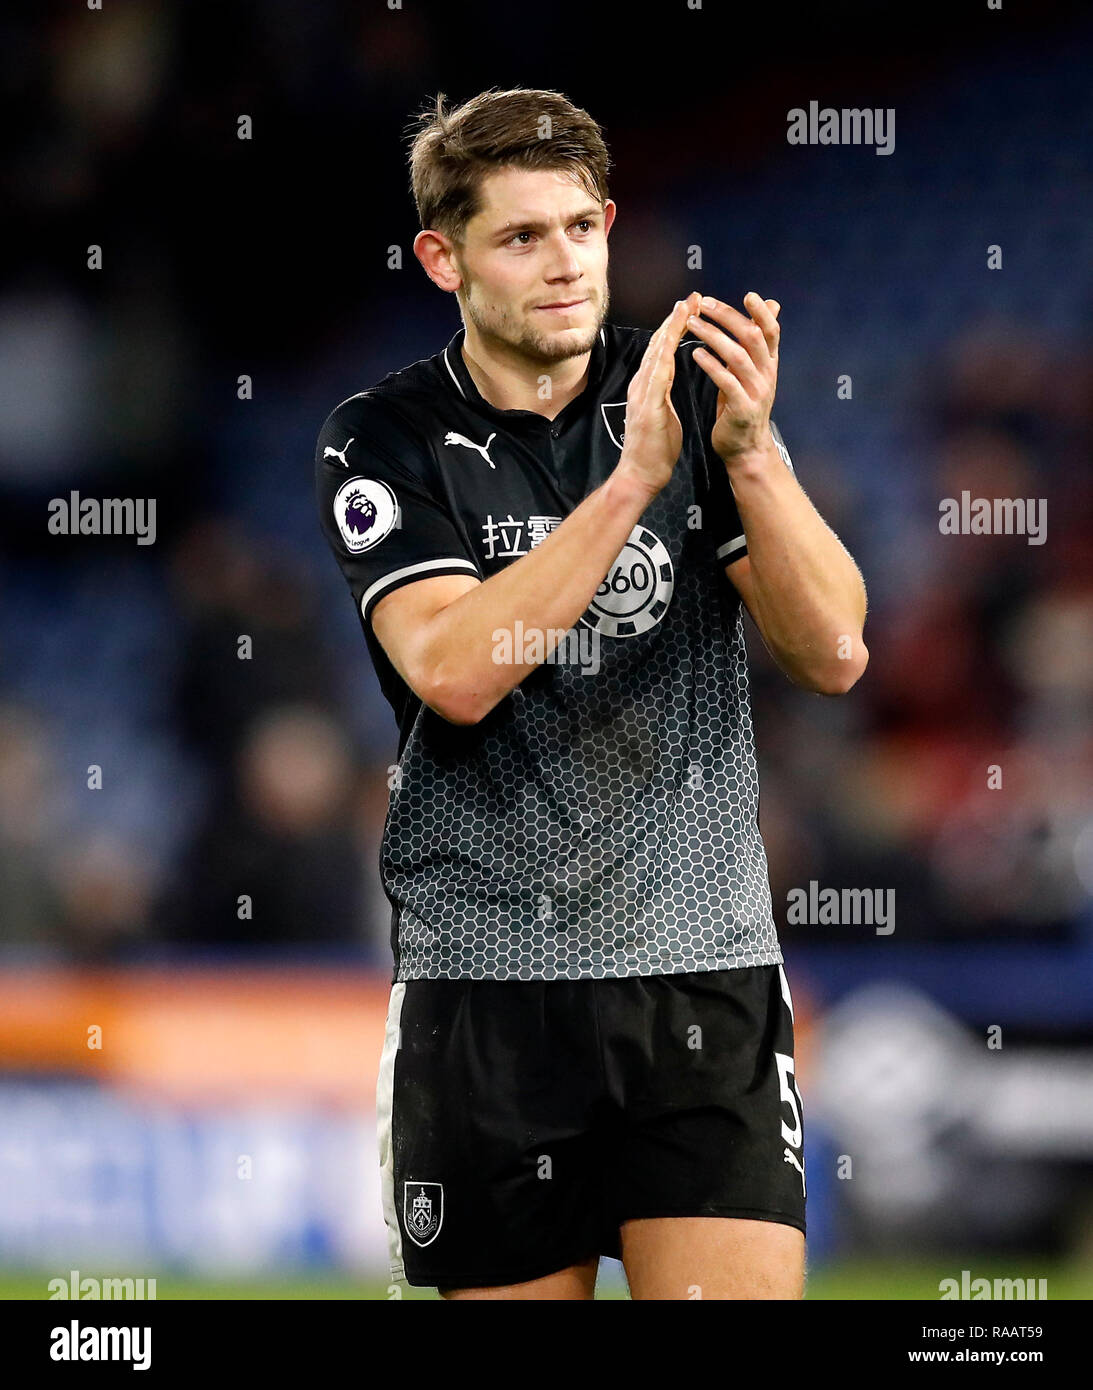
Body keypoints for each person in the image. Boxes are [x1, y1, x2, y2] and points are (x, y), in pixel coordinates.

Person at [315, 87, 868, 1300]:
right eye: (521, 237)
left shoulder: (696, 397)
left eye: (580, 228)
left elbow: (832, 652)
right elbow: (456, 674)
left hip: (699, 967)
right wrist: (626, 488)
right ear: (440, 258)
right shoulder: (386, 439)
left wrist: (751, 458)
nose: (564, 264)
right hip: (485, 988)